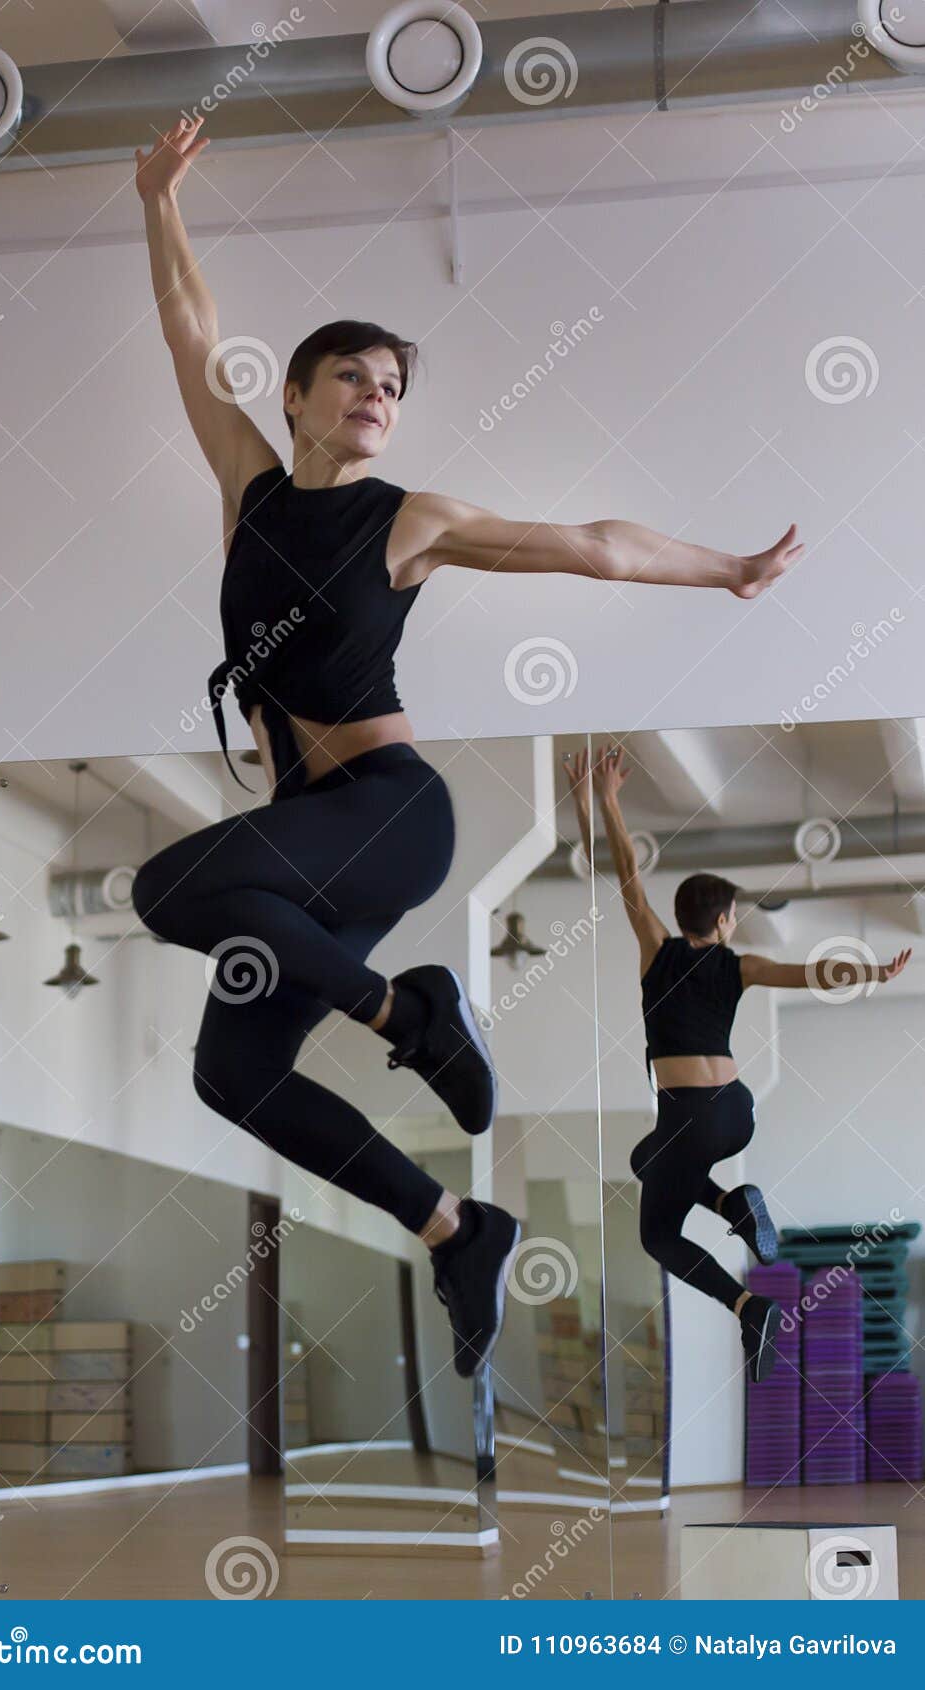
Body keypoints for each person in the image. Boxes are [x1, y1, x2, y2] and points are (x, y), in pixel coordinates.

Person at [129, 114, 805, 1380]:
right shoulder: (250, 488)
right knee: (233, 1072)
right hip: (317, 852)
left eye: (391, 388)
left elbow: (590, 543)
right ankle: (455, 1226)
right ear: (294, 395)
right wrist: (156, 198)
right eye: (352, 380)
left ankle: (409, 1005)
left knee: (165, 887)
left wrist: (724, 572)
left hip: (388, 815)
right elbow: (186, 330)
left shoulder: (411, 520)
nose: (376, 400)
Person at [567, 743, 910, 1383]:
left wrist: (606, 800)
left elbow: (623, 875)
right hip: (734, 1110)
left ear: (680, 918)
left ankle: (748, 1303)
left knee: (658, 1238)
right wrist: (872, 969)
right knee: (644, 1160)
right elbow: (810, 973)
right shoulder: (738, 964)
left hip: (690, 1119)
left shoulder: (655, 950)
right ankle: (731, 1206)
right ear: (725, 921)